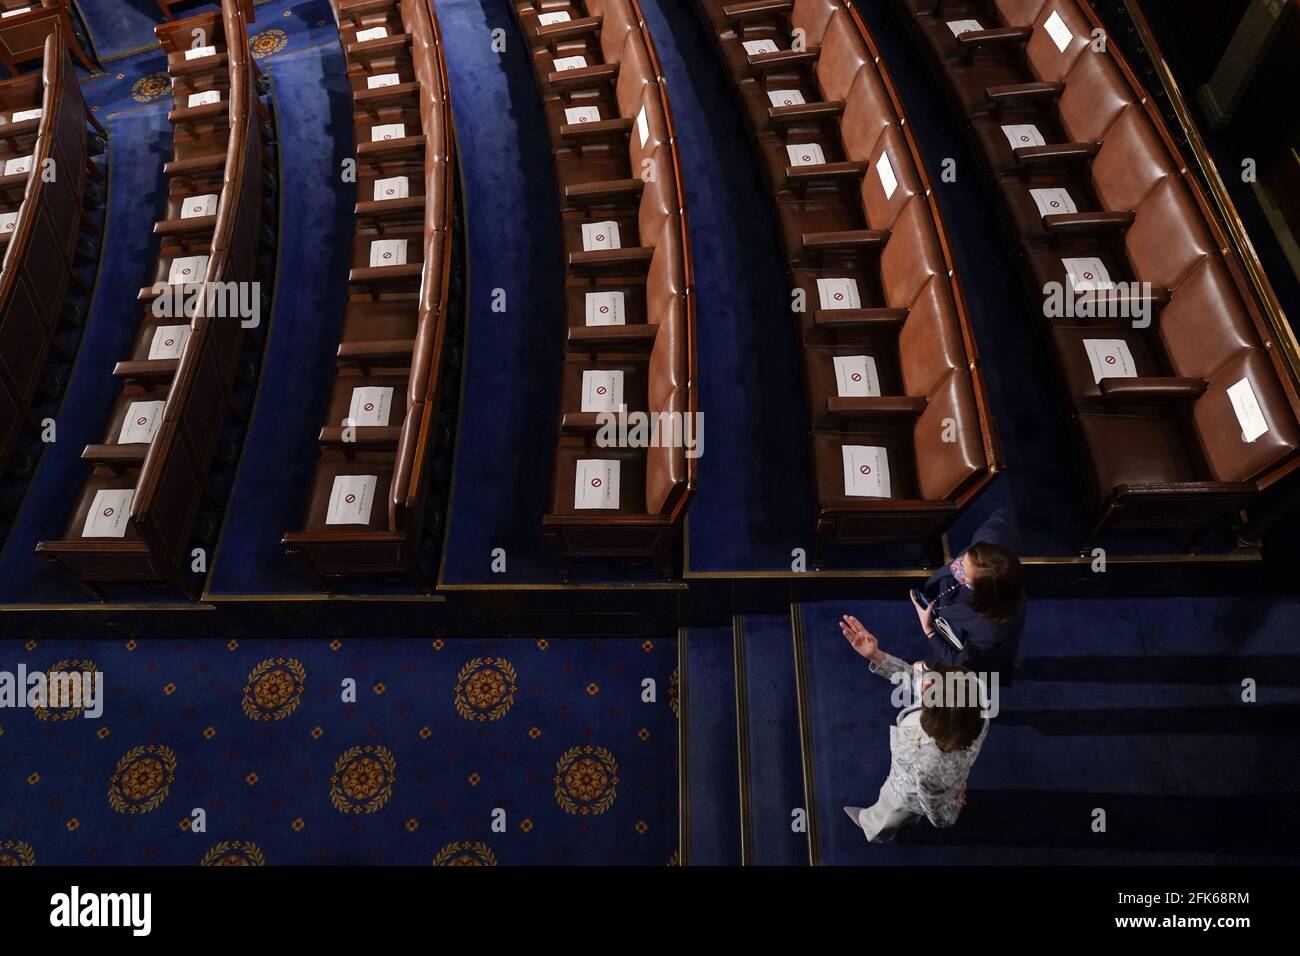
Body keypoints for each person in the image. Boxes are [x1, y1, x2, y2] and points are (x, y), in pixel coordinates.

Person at [839, 614, 988, 843]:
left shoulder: (924, 752)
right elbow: (923, 683)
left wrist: (952, 809)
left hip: (906, 791)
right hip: (952, 780)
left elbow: (938, 816)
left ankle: (874, 828)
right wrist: (876, 656)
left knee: (888, 816)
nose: (926, 679)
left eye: (931, 685)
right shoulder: (975, 703)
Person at [910, 508, 1026, 676]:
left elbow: (962, 665)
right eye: (964, 558)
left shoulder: (990, 631)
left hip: (975, 651)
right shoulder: (990, 538)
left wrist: (930, 630)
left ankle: (933, 667)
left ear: (982, 593)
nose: (955, 565)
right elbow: (1002, 515)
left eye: (963, 572)